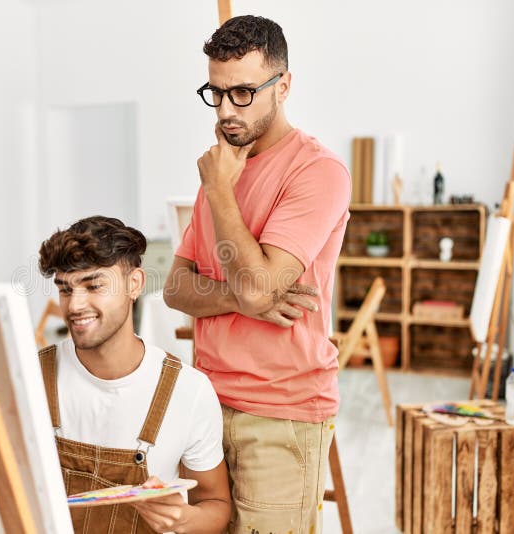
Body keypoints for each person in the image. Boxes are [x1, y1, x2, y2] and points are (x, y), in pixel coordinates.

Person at [163, 15, 351, 534]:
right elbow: (176, 288)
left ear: (283, 85)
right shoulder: (220, 168)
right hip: (206, 403)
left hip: (282, 414)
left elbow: (257, 285)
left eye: (243, 92)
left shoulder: (317, 172)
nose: (225, 110)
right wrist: (244, 297)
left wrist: (222, 192)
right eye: (215, 92)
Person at [37, 215, 230, 534]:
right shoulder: (32, 377)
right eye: (65, 290)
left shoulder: (188, 390)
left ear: (134, 284)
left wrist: (181, 519)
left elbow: (216, 505)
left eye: (94, 286)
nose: (74, 305)